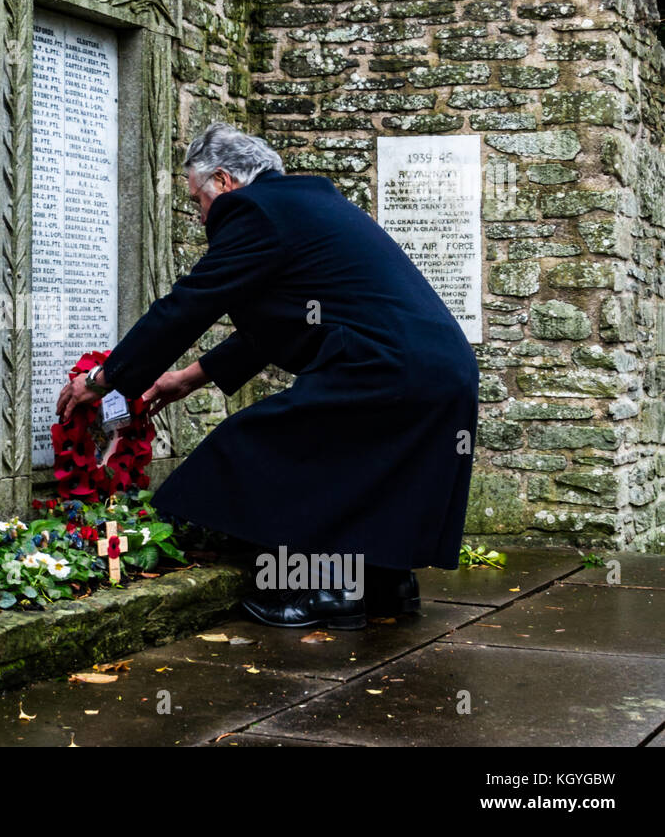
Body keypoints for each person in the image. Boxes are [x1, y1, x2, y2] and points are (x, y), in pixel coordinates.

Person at [56, 122, 479, 630]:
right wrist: (185, 378)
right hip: (439, 367)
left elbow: (187, 307)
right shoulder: (302, 203)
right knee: (369, 468)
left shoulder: (252, 211)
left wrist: (105, 380)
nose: (200, 213)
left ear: (225, 182)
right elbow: (291, 320)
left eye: (197, 199)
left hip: (384, 366)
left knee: (258, 450)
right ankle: (388, 582)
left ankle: (329, 592)